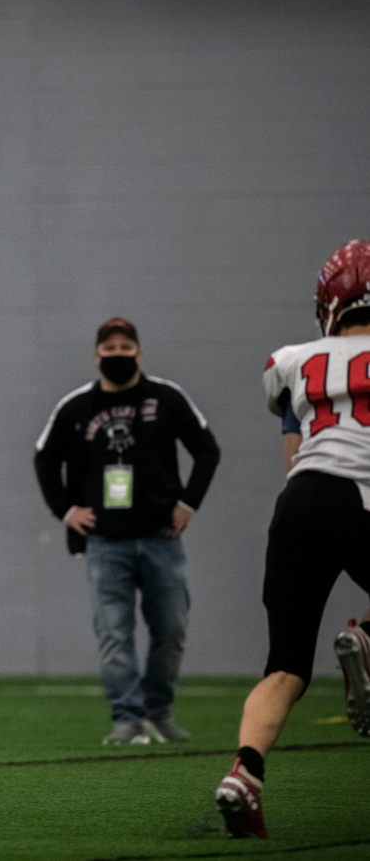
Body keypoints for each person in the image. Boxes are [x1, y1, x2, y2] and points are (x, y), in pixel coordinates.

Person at [215, 240, 370, 839]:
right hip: (361, 497)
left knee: (284, 668)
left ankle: (244, 774)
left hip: (300, 503)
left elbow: (294, 454)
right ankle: (365, 637)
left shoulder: (292, 359)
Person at [34, 317, 221, 746]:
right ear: (96, 355)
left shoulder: (167, 398)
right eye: (110, 349)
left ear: (139, 353)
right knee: (114, 635)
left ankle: (157, 710)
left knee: (172, 630)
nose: (117, 355)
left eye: (125, 348)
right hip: (105, 543)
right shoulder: (76, 407)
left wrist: (188, 504)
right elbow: (44, 457)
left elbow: (208, 450)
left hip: (162, 538)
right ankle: (127, 718)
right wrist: (66, 511)